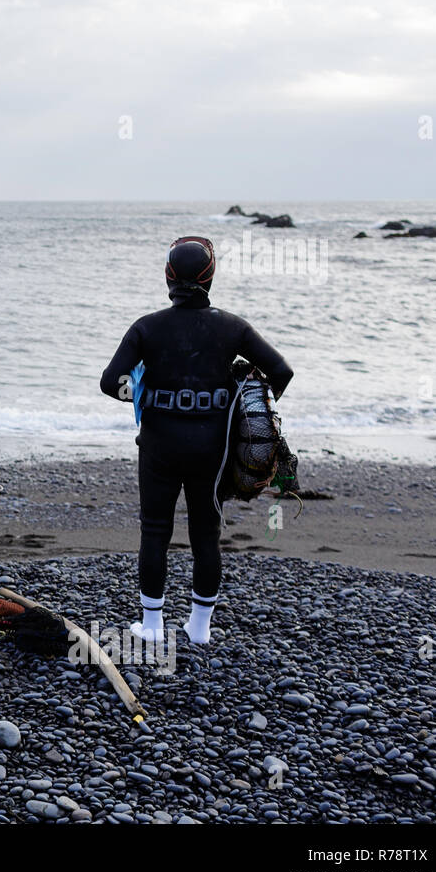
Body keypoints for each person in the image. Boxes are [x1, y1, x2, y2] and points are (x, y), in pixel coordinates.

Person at [100, 236, 293, 645]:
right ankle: (199, 630)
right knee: (206, 534)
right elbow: (282, 372)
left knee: (155, 531)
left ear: (169, 277)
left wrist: (139, 394)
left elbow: (109, 382)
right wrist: (249, 400)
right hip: (214, 449)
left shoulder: (146, 327)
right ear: (211, 276)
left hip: (159, 447)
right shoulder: (234, 327)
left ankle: (152, 627)